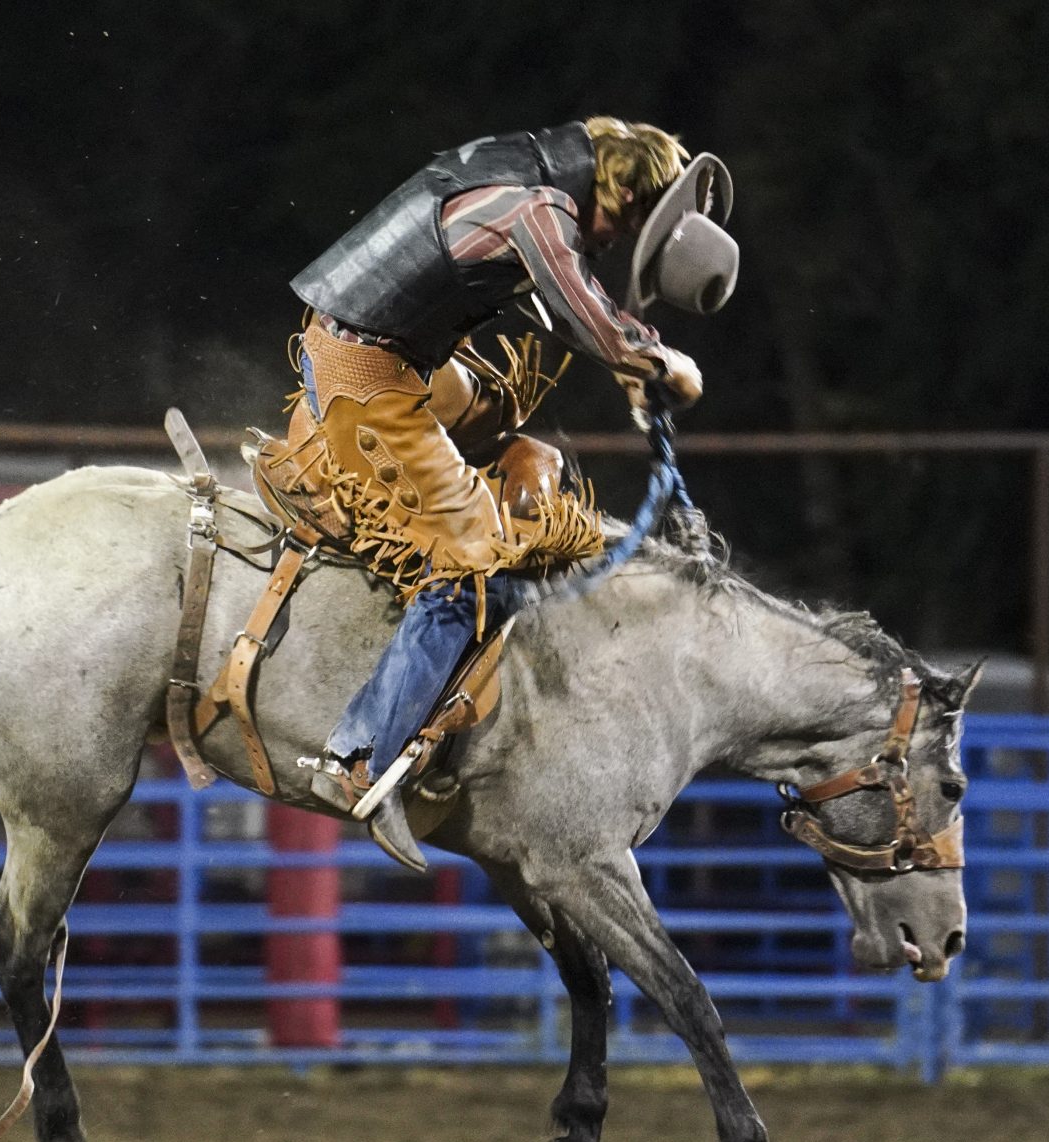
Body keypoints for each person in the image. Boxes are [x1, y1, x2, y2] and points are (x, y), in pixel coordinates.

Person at [252, 116, 736, 868]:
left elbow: (569, 308)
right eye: (625, 228)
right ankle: (355, 758)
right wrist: (660, 362)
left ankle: (465, 655)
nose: (611, 244)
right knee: (475, 565)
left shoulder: (528, 178)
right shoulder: (537, 209)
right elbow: (587, 313)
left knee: (527, 452)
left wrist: (628, 371)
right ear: (624, 193)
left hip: (400, 355)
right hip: (368, 372)